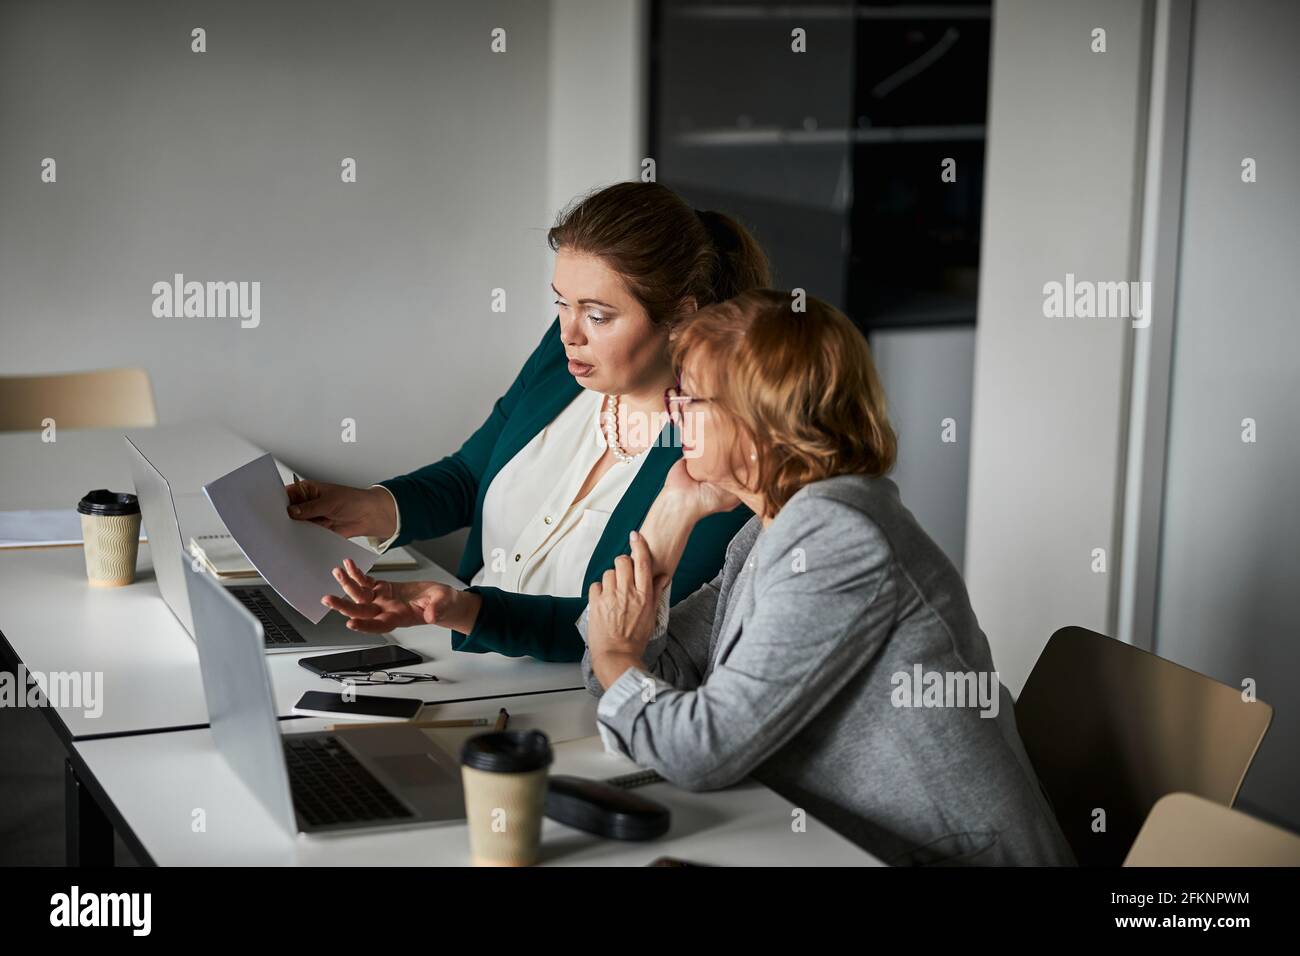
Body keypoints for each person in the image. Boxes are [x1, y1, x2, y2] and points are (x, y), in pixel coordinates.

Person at [579, 289, 1077, 865]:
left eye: (690, 398)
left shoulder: (836, 536)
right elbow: (623, 672)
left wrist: (619, 657)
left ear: (763, 419)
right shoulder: (772, 530)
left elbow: (696, 747)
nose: (673, 413)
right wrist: (671, 515)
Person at [287, 182, 767, 661]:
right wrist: (372, 508)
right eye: (562, 302)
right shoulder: (564, 362)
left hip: (571, 701)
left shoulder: (715, 451)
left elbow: (619, 629)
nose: (568, 332)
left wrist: (465, 610)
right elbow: (470, 476)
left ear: (682, 316)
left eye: (598, 315)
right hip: (455, 659)